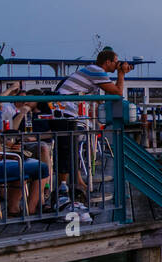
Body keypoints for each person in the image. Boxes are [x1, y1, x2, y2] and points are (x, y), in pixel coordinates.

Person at [46, 47, 133, 210]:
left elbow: (102, 98)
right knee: (65, 150)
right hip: (62, 112)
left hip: (65, 112)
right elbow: (117, 93)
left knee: (70, 149)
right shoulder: (96, 71)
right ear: (107, 62)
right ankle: (62, 189)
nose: (117, 65)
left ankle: (75, 184)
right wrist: (121, 75)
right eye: (116, 62)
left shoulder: (94, 73)